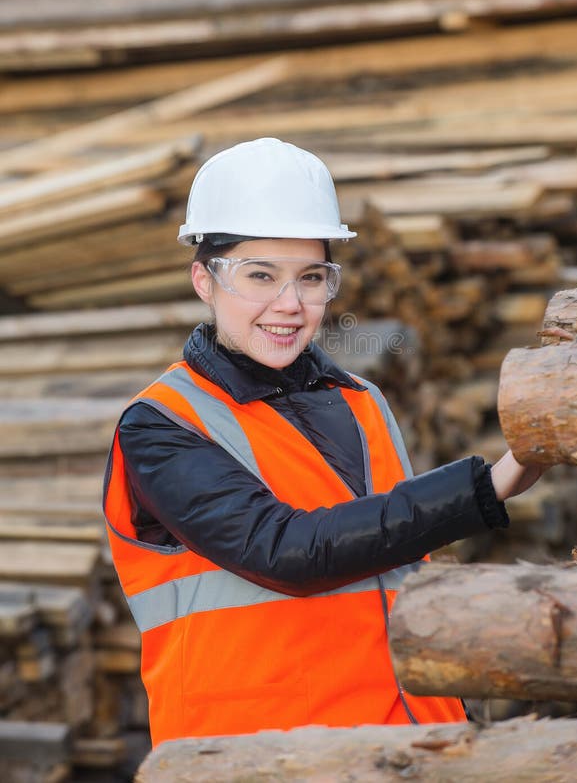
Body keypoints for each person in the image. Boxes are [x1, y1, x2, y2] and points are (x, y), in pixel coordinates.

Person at [103, 137, 544, 748]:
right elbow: (284, 549)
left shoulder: (361, 399)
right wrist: (484, 486)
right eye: (260, 276)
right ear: (204, 280)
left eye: (311, 278)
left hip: (405, 742)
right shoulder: (162, 425)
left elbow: (395, 564)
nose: (290, 305)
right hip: (261, 753)